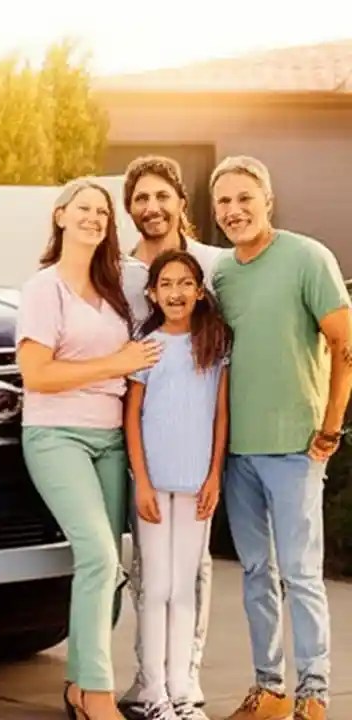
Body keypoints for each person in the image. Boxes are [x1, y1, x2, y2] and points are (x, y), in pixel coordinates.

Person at [16, 177, 162, 720]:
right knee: (99, 555)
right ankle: (99, 694)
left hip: (110, 440)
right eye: (83, 208)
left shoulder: (114, 290)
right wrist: (115, 364)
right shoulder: (43, 289)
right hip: (57, 436)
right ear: (60, 216)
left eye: (102, 211)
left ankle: (80, 685)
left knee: (108, 566)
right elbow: (37, 374)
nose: (94, 217)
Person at [211, 156, 351, 720]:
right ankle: (268, 689)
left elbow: (345, 345)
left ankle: (313, 694)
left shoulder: (307, 257)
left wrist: (331, 425)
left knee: (301, 573)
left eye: (245, 198)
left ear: (268, 201)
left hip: (296, 447)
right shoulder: (222, 273)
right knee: (255, 574)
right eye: (224, 201)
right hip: (238, 452)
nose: (234, 210)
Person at [115, 156, 228, 719]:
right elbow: (132, 406)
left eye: (162, 195)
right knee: (151, 578)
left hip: (195, 467)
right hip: (153, 464)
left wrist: (215, 473)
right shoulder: (122, 277)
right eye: (141, 198)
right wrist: (140, 476)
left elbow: (220, 405)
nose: (152, 207)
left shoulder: (213, 267)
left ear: (182, 201)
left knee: (188, 579)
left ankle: (184, 686)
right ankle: (152, 686)